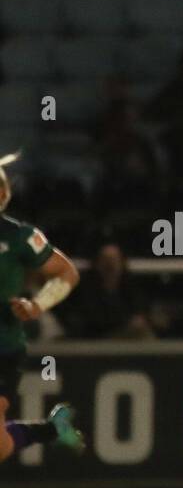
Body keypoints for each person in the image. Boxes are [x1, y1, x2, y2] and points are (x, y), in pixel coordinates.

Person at [0, 151, 85, 465]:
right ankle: (52, 430)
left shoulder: (19, 237)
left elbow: (66, 272)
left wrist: (36, 304)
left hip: (3, 345)